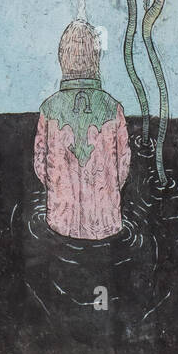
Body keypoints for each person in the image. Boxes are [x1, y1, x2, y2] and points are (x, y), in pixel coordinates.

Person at [34, 20, 130, 240]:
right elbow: (123, 164)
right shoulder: (114, 108)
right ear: (95, 55)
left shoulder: (48, 109)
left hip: (60, 223)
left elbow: (40, 164)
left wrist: (59, 188)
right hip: (106, 224)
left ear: (62, 56)